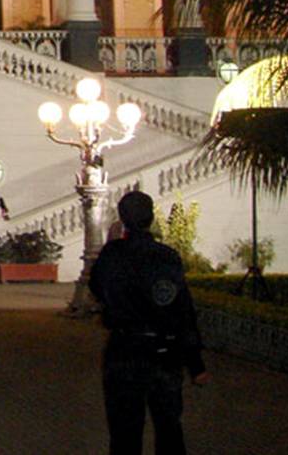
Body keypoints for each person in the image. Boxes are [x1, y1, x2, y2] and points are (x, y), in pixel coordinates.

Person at [90, 190, 210, 455]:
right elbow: (182, 310)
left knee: (124, 433)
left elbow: (96, 287)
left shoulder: (113, 255)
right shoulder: (166, 257)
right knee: (168, 429)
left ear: (122, 219)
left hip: (123, 349)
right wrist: (195, 362)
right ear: (151, 217)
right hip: (162, 353)